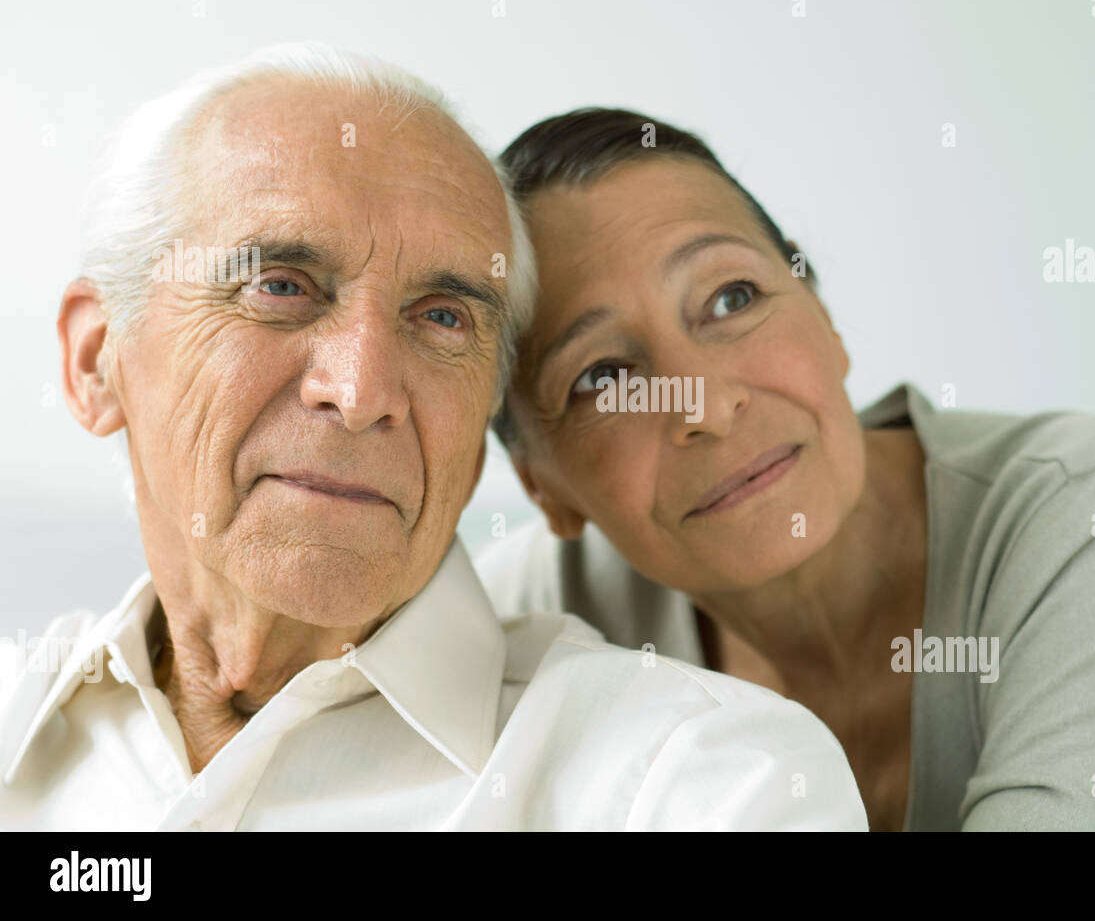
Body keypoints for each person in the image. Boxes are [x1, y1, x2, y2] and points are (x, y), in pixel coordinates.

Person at [0, 50, 867, 831]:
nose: (363, 390)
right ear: (95, 361)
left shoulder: (709, 782)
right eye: (280, 285)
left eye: (443, 316)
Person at [476, 107, 1095, 831]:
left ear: (824, 318)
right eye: (603, 378)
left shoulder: (1092, 511)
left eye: (732, 298)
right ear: (543, 487)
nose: (707, 408)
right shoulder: (538, 613)